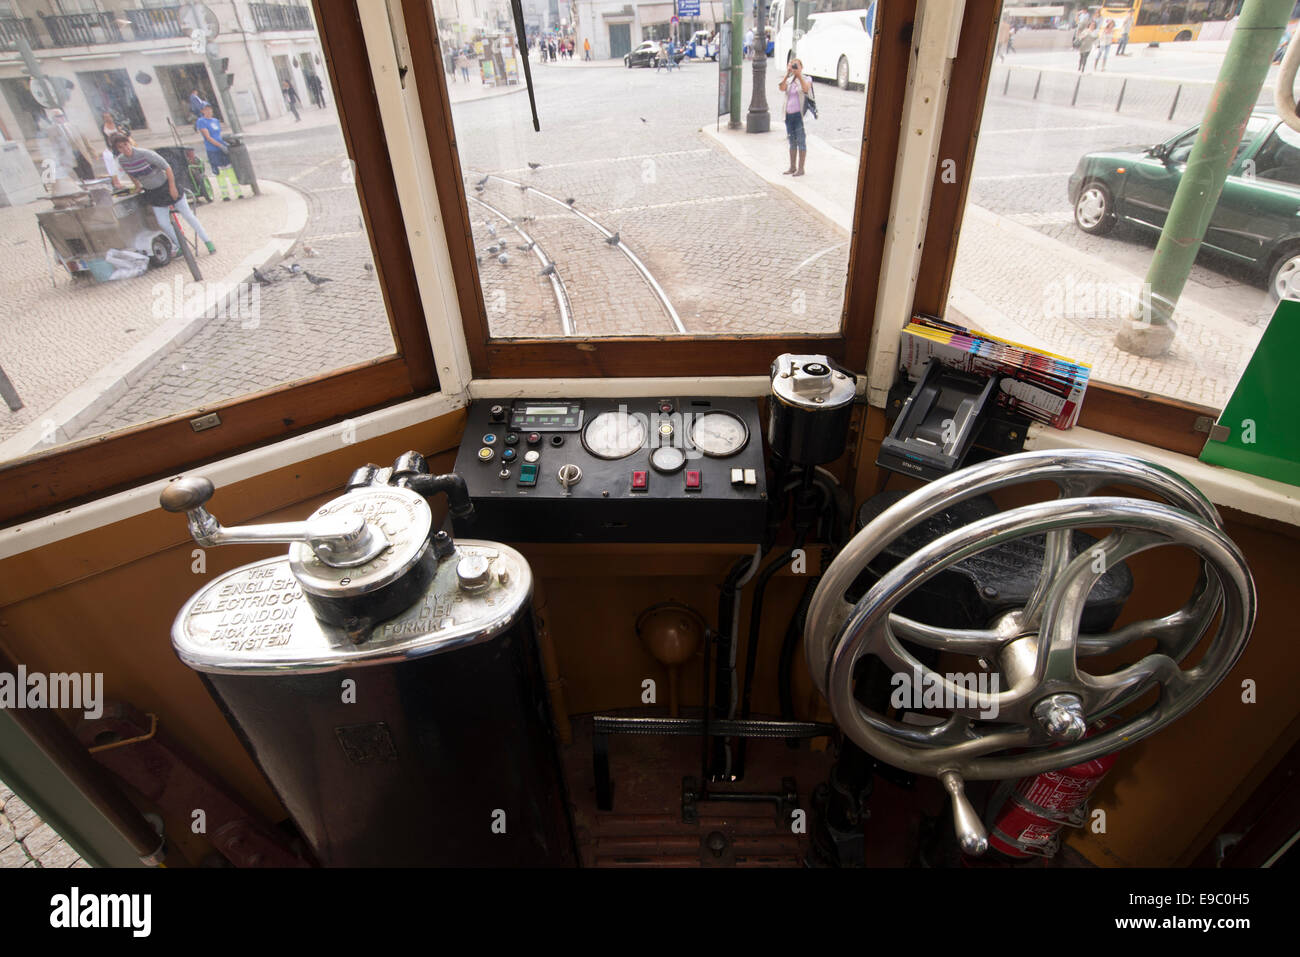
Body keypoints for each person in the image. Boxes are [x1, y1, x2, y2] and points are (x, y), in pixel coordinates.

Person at [109, 132, 215, 255]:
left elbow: (167, 167)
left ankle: (208, 242)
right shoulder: (122, 160)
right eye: (121, 147)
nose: (125, 148)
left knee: (188, 216)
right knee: (163, 223)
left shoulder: (145, 154)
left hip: (167, 186)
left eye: (126, 144)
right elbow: (131, 173)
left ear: (129, 142)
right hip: (153, 193)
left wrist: (172, 187)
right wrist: (137, 185)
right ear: (118, 149)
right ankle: (181, 244)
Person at [195, 104, 244, 201]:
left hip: (221, 147)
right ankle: (225, 195)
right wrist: (219, 145)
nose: (208, 111)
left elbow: (218, 134)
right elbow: (208, 137)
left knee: (230, 170)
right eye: (206, 109)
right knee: (219, 172)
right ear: (202, 111)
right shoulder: (201, 121)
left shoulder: (215, 121)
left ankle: (238, 192)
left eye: (210, 109)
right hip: (213, 149)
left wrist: (224, 143)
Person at [778, 58, 811, 177]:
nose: (795, 68)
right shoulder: (790, 80)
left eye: (796, 66)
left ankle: (801, 169)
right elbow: (781, 88)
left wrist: (799, 75)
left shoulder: (807, 78)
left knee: (801, 141)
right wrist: (787, 74)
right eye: (793, 66)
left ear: (801, 67)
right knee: (792, 141)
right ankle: (792, 167)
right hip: (788, 115)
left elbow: (806, 89)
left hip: (799, 116)